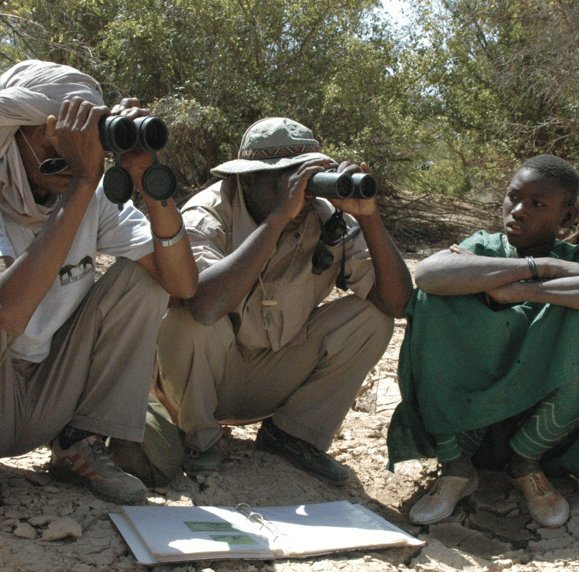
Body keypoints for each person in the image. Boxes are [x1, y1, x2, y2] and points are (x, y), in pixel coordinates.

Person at [0, 60, 198, 526]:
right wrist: (82, 183)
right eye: (54, 149)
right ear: (13, 138)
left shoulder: (92, 198)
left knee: (142, 280)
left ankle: (80, 444)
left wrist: (148, 182)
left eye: (80, 148)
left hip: (45, 398)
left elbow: (181, 284)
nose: (73, 164)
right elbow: (7, 308)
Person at [387, 154, 579, 528]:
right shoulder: (484, 247)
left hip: (540, 429)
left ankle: (526, 464)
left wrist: (528, 292)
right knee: (433, 302)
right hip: (471, 421)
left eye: (538, 204)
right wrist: (541, 267)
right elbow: (429, 275)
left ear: (567, 218)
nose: (519, 211)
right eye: (513, 197)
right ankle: (457, 468)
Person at [156, 117, 412, 484]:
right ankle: (200, 440)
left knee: (373, 318)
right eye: (287, 178)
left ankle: (294, 436)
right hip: (204, 376)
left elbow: (397, 303)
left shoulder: (324, 216)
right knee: (185, 321)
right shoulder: (209, 212)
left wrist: (370, 220)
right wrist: (277, 220)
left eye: (308, 178)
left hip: (274, 369)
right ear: (248, 179)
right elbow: (203, 306)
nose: (302, 191)